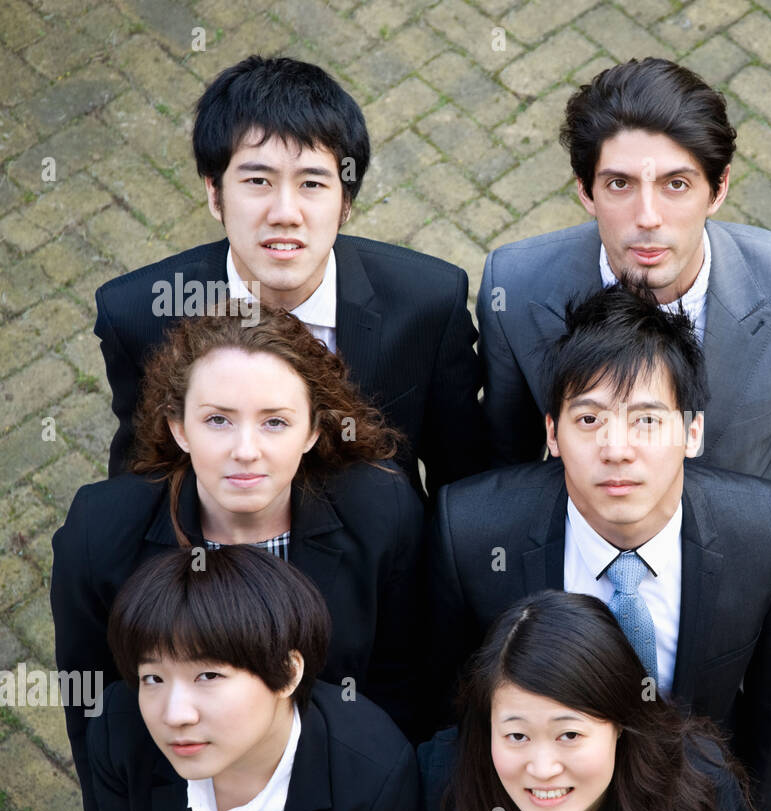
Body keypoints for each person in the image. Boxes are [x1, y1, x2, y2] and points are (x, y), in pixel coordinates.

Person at [431, 283, 771, 811]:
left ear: (692, 432)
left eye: (645, 420)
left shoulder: (769, 533)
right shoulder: (472, 531)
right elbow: (448, 701)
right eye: (588, 419)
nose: (616, 448)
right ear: (552, 435)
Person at [53, 306, 426, 811]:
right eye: (217, 420)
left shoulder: (381, 508)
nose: (245, 450)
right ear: (179, 427)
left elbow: (406, 674)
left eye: (274, 421)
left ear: (312, 430)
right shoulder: (101, 530)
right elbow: (91, 694)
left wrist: (374, 790)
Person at [476, 57, 771, 589]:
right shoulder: (513, 289)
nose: (648, 217)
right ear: (586, 191)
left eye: (677, 184)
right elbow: (507, 468)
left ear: (719, 187)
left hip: (739, 580)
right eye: (619, 184)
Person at [94, 54, 486, 498]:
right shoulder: (138, 316)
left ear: (346, 201)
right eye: (258, 181)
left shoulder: (429, 305)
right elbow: (143, 479)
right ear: (214, 193)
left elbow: (464, 484)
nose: (285, 214)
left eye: (312, 184)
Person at [89, 546, 418, 811]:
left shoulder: (373, 777)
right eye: (153, 679)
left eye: (207, 676)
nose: (175, 715)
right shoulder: (117, 735)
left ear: (288, 674)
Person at [424, 590, 757, 811]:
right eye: (517, 735)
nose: (542, 769)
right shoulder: (444, 783)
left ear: (621, 723)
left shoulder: (700, 788)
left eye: (569, 734)